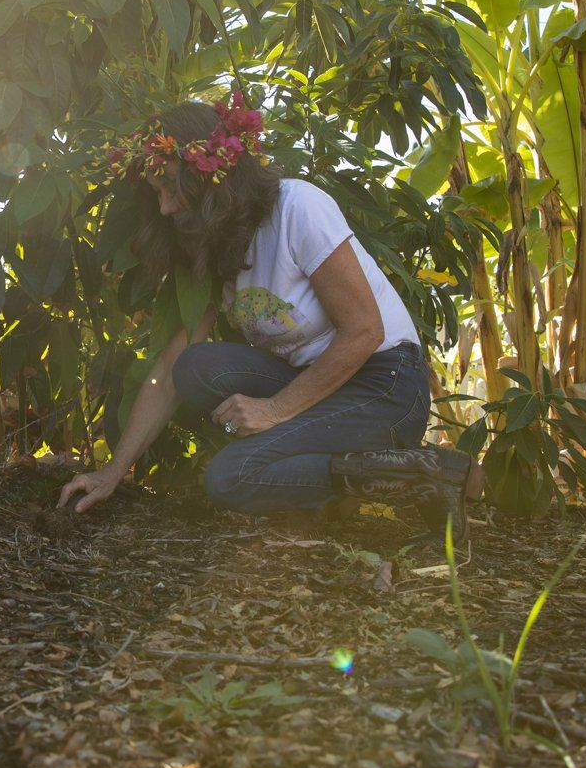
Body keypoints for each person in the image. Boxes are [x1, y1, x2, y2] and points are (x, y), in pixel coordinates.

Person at [58, 97, 479, 519]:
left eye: (171, 186)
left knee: (230, 477)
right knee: (195, 366)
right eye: (158, 193)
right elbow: (170, 370)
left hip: (385, 384)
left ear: (210, 174)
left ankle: (421, 473)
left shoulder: (296, 207)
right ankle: (351, 469)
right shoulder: (214, 245)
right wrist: (113, 472)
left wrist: (273, 412)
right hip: (313, 383)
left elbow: (365, 331)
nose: (165, 207)